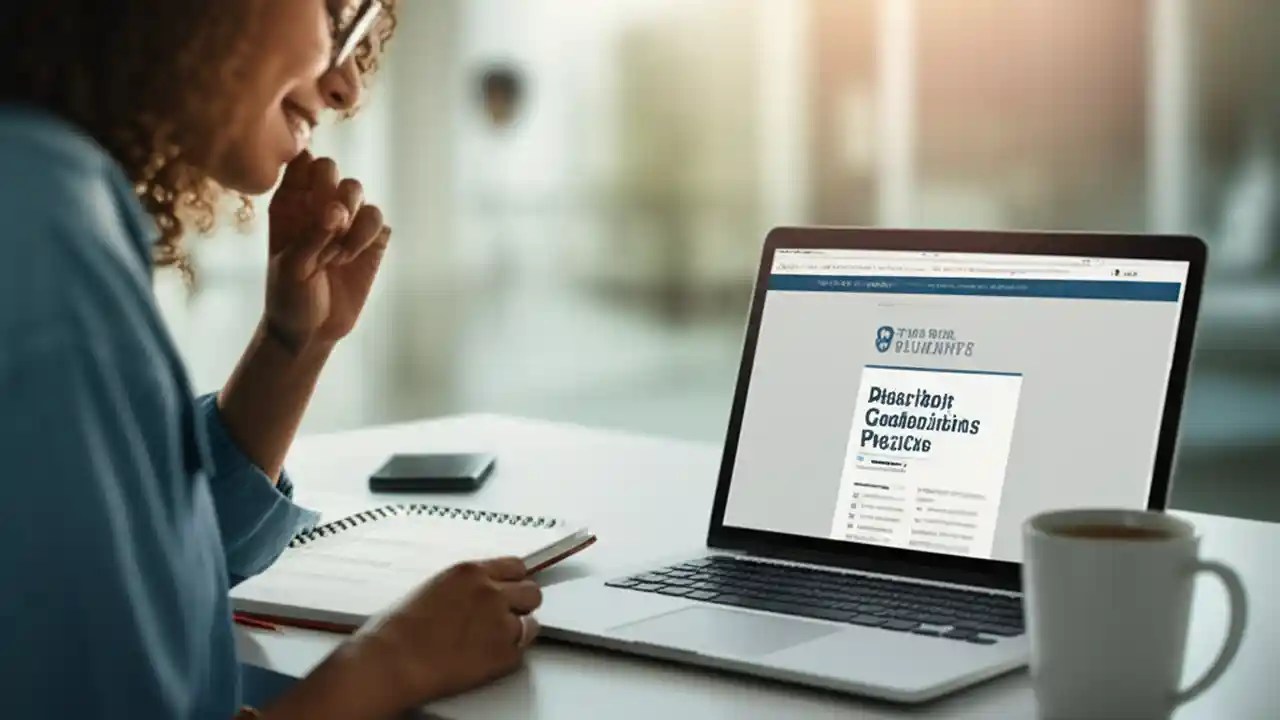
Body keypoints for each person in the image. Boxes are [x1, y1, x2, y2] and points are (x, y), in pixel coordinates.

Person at [0, 1, 542, 718]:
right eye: (338, 10)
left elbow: (135, 571)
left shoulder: (43, 193)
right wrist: (388, 666)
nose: (348, 84)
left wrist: (295, 345)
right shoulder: (42, 248)